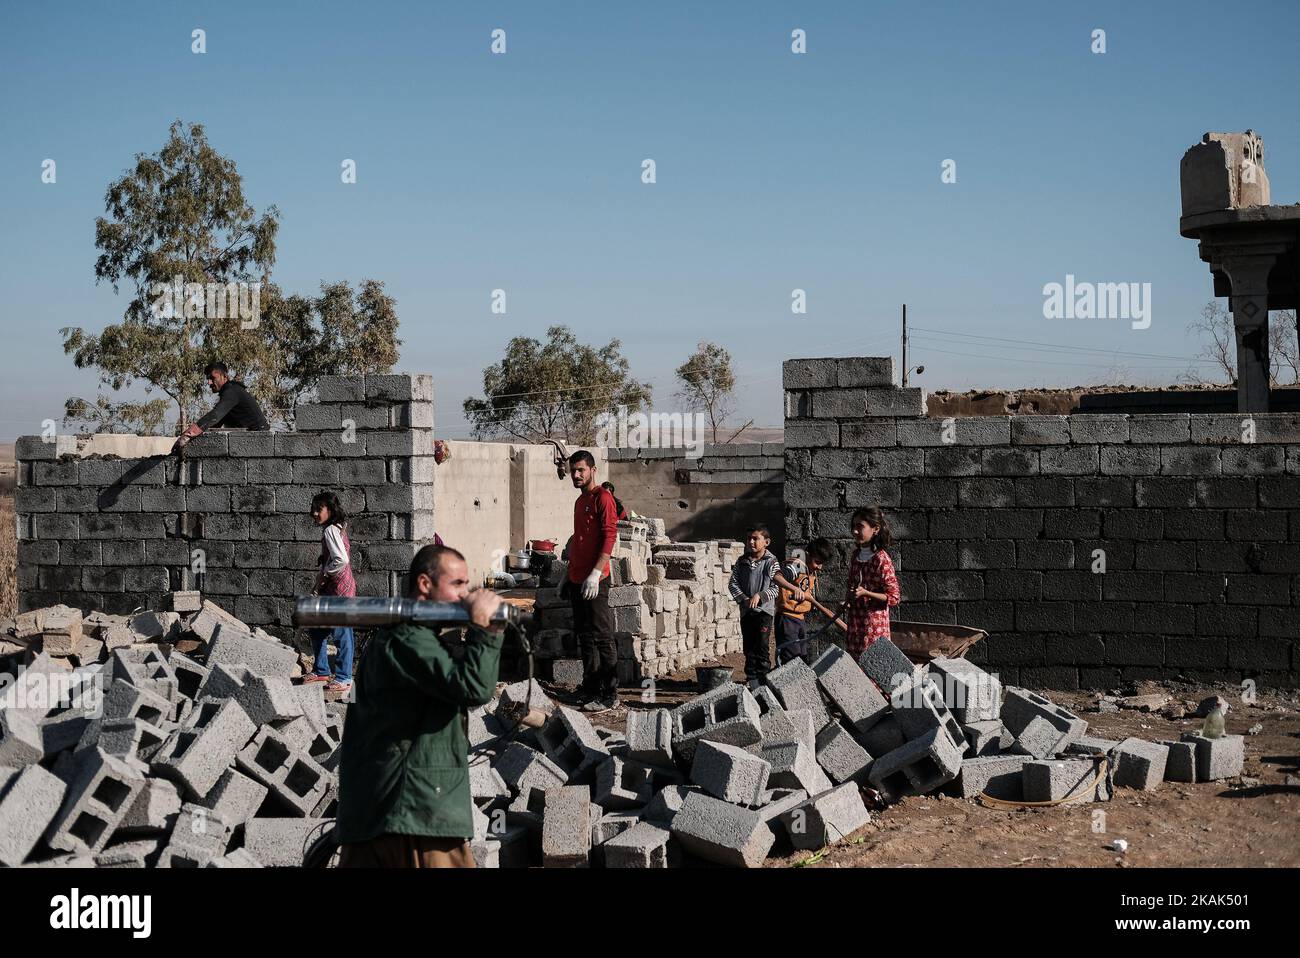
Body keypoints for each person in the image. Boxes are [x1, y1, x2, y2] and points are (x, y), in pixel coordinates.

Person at [335, 544, 505, 868]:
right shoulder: (407, 639)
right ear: (425, 585)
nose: (465, 596)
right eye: (457, 585)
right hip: (413, 812)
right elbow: (472, 687)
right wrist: (485, 630)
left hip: (389, 813)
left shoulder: (406, 637)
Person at [565, 450, 619, 712]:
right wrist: (569, 574)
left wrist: (597, 573)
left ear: (592, 470)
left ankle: (610, 694)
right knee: (585, 635)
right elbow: (579, 540)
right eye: (573, 470)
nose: (576, 475)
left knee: (601, 635)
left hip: (595, 580)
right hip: (577, 578)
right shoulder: (579, 501)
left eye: (580, 470)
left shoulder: (603, 498)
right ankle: (591, 687)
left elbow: (610, 536)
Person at [304, 491, 356, 693]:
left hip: (339, 590)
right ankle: (321, 669)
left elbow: (341, 560)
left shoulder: (330, 531)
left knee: (342, 633)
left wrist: (326, 572)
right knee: (317, 627)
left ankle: (343, 678)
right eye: (314, 509)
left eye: (319, 509)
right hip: (335, 588)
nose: (315, 513)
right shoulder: (336, 528)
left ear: (331, 510)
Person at [172, 362, 269, 451]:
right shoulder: (229, 393)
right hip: (253, 439)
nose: (209, 383)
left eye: (213, 378)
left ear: (224, 377)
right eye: (208, 379)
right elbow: (216, 424)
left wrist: (188, 435)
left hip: (258, 438)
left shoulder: (231, 391)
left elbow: (214, 416)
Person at [844, 506, 901, 658]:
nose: (855, 531)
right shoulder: (855, 556)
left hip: (874, 627)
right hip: (855, 625)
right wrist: (847, 602)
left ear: (875, 529)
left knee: (871, 668)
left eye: (860, 526)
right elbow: (852, 586)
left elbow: (894, 597)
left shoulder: (881, 559)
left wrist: (866, 593)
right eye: (853, 526)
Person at [728, 525, 780, 685]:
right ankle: (752, 681)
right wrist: (744, 598)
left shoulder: (771, 562)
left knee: (762, 647)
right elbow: (733, 583)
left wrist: (760, 596)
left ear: (766, 542)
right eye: (749, 538)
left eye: (755, 538)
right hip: (746, 612)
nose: (751, 542)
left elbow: (777, 587)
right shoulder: (742, 561)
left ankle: (764, 681)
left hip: (764, 612)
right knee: (749, 647)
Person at [774, 537, 833, 665]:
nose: (819, 567)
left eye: (822, 563)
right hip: (787, 619)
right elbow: (777, 577)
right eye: (817, 562)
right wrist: (794, 589)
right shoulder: (798, 566)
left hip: (800, 619)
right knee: (791, 660)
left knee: (802, 657)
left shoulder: (810, 571)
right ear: (807, 555)